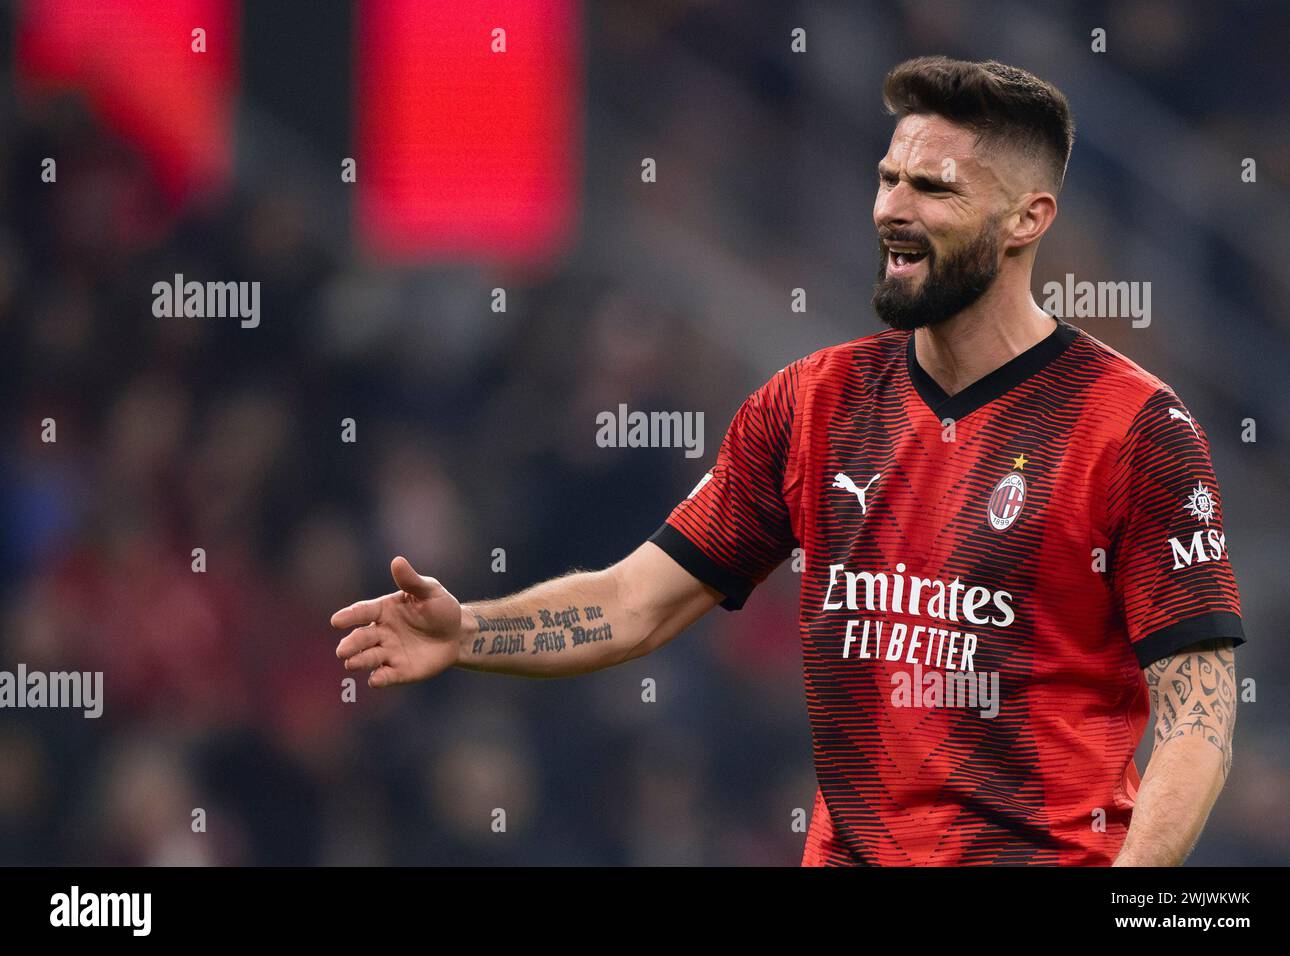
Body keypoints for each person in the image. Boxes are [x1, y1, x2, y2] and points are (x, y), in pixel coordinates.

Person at [331, 56, 1244, 866]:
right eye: (887, 178)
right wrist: (468, 634)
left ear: (1026, 219)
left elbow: (1198, 716)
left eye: (933, 188)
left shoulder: (1132, 430)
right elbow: (634, 603)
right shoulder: (810, 404)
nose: (891, 208)